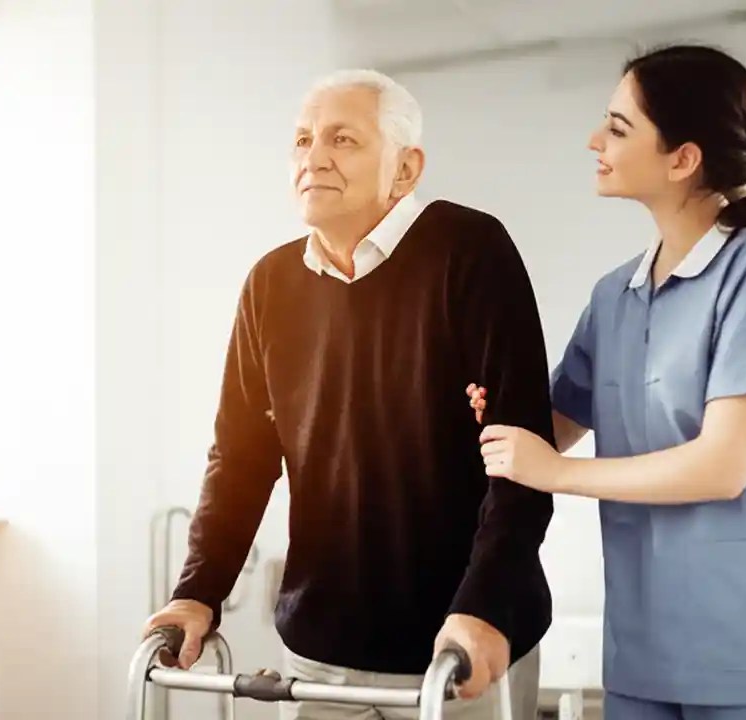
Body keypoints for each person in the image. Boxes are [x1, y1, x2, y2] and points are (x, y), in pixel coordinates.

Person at [141, 69, 556, 720]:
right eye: (302, 140)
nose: (314, 158)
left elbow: (523, 460)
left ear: (406, 167)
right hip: (322, 650)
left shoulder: (469, 251)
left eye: (343, 140)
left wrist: (487, 605)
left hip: (461, 645)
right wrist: (198, 592)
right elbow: (240, 462)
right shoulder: (270, 284)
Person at [465, 44, 746, 719]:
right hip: (643, 657)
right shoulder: (616, 295)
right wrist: (484, 413)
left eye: (618, 127)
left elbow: (722, 467)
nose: (595, 140)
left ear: (683, 158)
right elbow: (543, 426)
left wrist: (554, 472)